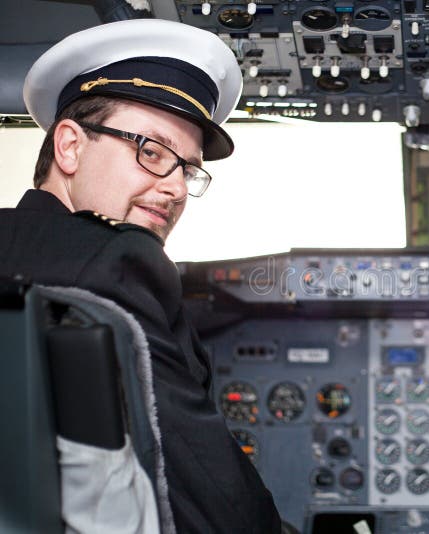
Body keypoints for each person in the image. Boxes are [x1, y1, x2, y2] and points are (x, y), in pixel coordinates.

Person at [0, 19, 282, 532]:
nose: (175, 189)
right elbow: (215, 503)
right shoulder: (120, 263)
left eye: (187, 169)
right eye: (151, 152)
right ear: (69, 146)